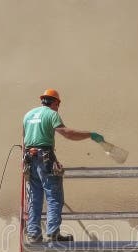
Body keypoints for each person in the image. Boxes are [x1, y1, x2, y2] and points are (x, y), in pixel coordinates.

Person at [23, 89, 104, 243]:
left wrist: (25, 161)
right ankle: (53, 233)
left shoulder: (28, 115)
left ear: (42, 100)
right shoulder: (51, 114)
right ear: (55, 102)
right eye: (58, 105)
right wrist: (90, 135)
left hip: (29, 158)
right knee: (54, 196)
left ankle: (33, 234)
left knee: (35, 196)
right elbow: (67, 133)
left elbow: (24, 140)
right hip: (45, 157)